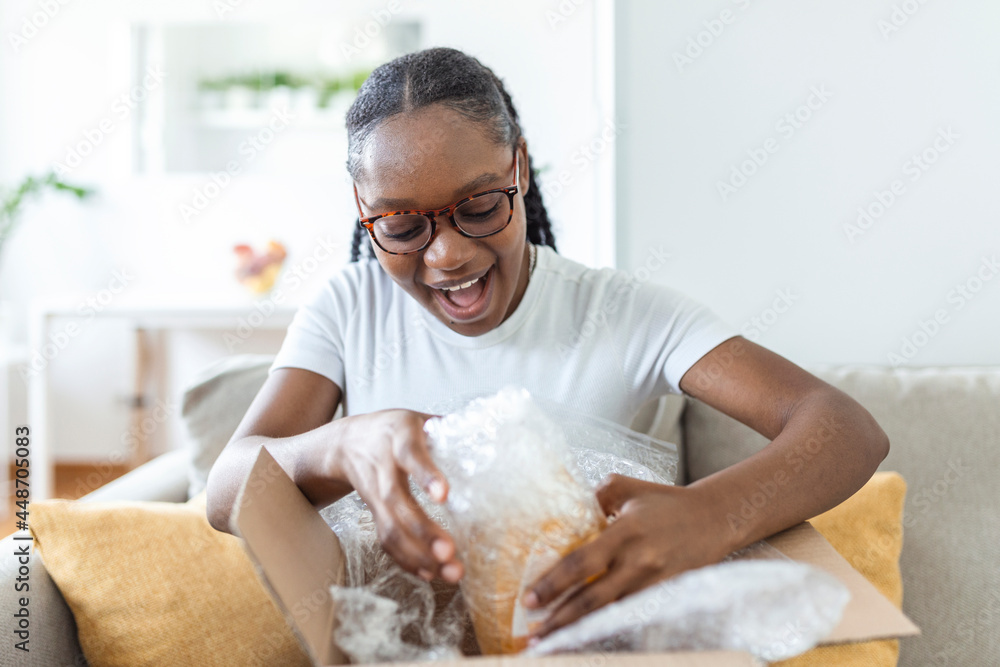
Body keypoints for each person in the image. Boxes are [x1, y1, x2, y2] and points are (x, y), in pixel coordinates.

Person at [206, 47, 889, 641]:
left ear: (520, 169)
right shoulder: (349, 308)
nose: (446, 254)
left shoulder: (621, 312)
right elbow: (223, 489)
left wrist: (712, 514)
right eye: (404, 226)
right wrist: (342, 442)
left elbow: (845, 428)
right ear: (364, 209)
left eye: (479, 206)